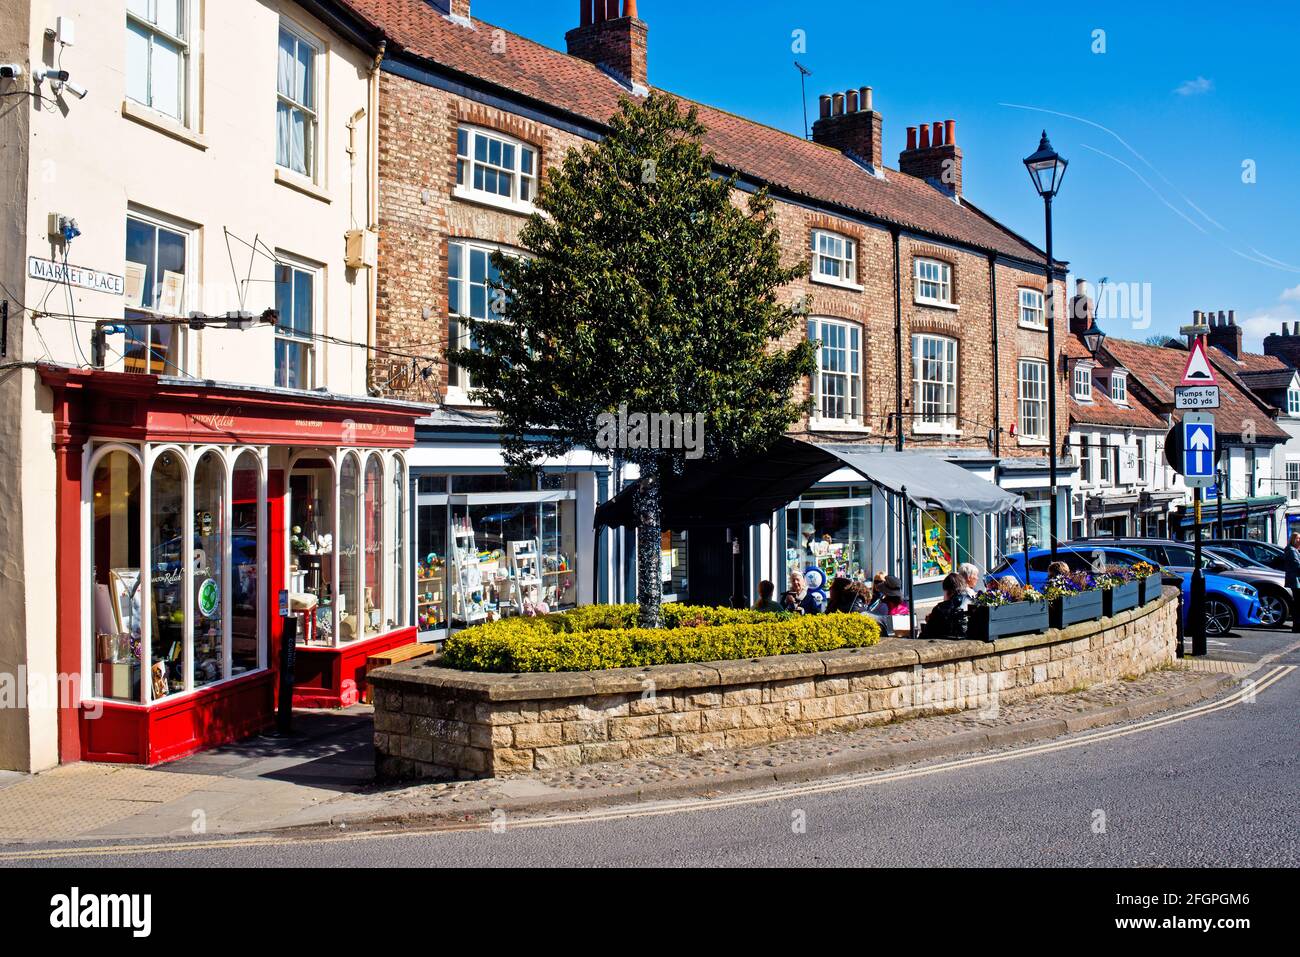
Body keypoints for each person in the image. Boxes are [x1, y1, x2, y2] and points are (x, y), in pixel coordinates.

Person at [919, 573, 970, 640]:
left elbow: (927, 634)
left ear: (949, 591)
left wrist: (929, 621)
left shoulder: (940, 609)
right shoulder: (971, 603)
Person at [1286, 533, 1300, 634]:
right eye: (1298, 538)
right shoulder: (1291, 550)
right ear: (1294, 539)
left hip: (1296, 579)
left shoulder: (1295, 550)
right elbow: (1296, 564)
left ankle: (1297, 626)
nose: (1299, 540)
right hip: (1295, 580)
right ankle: (1296, 626)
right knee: (1298, 604)